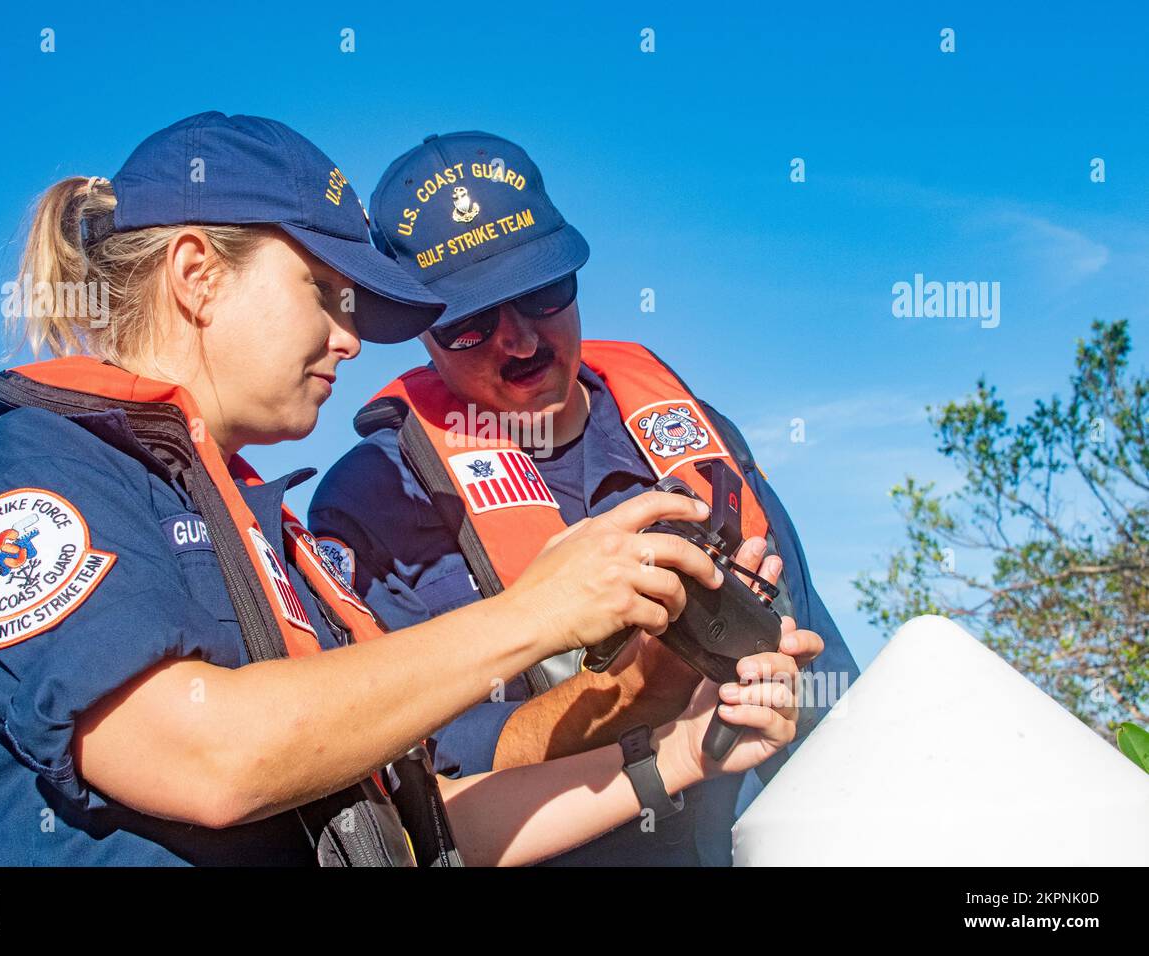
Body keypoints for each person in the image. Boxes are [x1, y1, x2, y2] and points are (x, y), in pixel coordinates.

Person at [0, 112, 819, 867]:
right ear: (198, 273)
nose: (351, 340)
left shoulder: (283, 545)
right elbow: (210, 757)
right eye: (326, 293)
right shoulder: (35, 468)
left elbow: (426, 825)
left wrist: (680, 753)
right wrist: (535, 611)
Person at [308, 130, 861, 865]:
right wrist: (640, 697)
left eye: (540, 291)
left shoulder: (692, 430)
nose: (520, 341)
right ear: (418, 331)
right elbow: (429, 783)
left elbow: (829, 673)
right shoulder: (369, 502)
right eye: (470, 323)